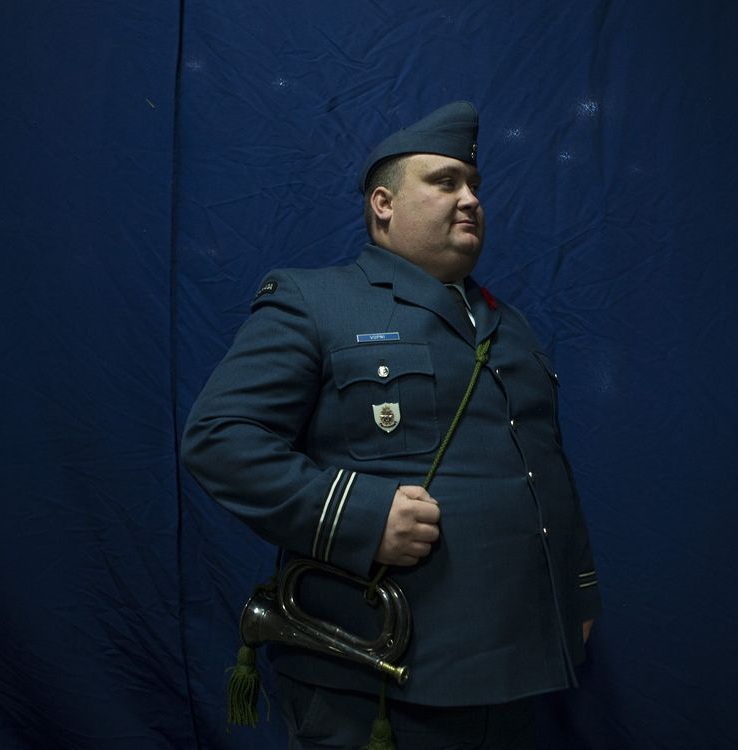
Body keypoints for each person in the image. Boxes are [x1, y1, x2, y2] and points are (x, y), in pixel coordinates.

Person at [182, 101, 601, 749]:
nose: (468, 199)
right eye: (443, 182)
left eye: (474, 186)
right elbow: (220, 440)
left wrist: (577, 596)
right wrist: (364, 518)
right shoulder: (313, 301)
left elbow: (544, 466)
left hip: (514, 668)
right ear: (383, 203)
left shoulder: (508, 325)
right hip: (372, 671)